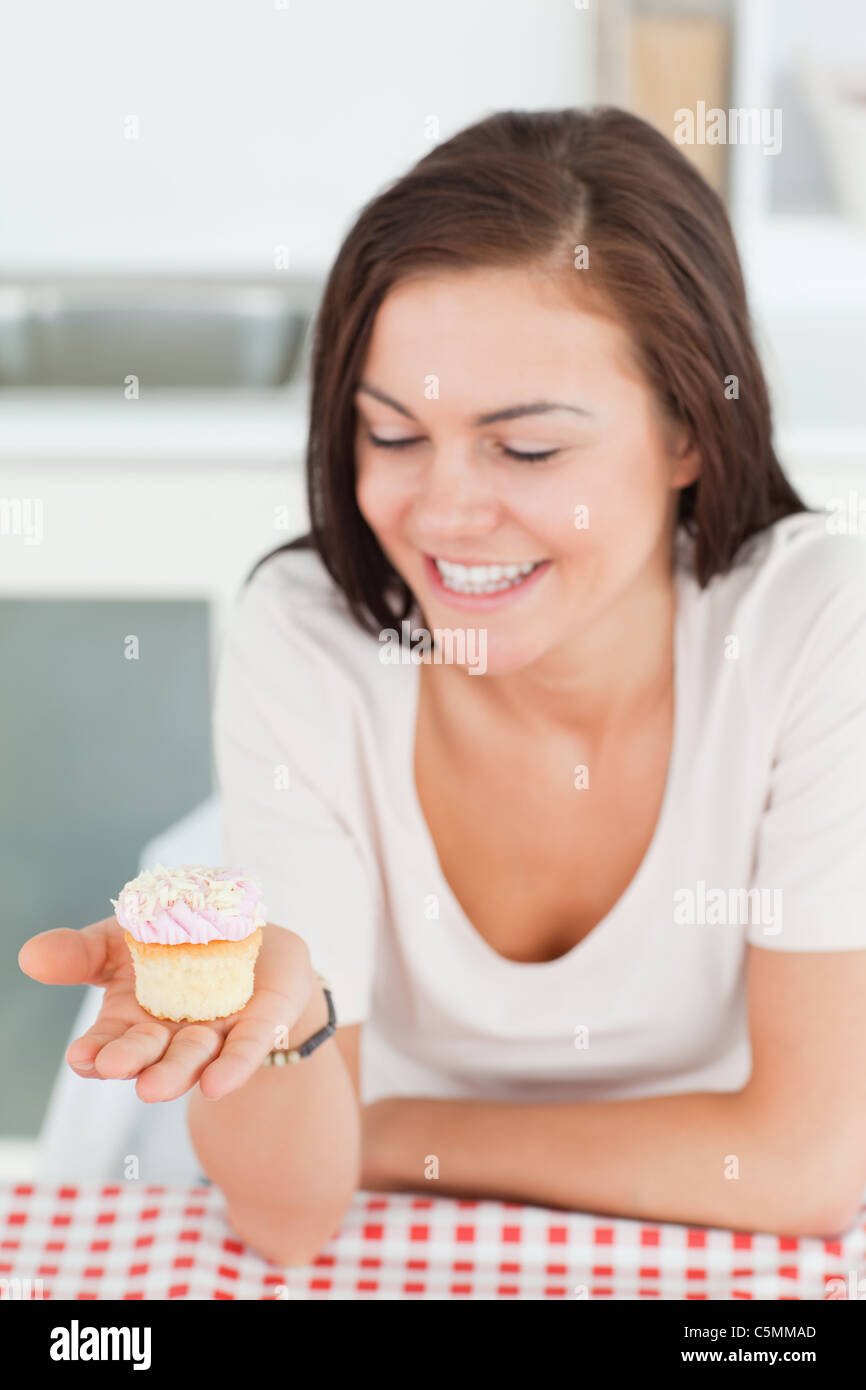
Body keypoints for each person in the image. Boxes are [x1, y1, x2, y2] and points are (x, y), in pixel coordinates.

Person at [19, 107, 866, 1266]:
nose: (443, 514)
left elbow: (808, 1166)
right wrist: (293, 1035)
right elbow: (289, 1215)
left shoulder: (810, 624)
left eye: (524, 450)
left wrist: (394, 1125)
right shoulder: (310, 639)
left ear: (685, 435)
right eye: (391, 434)